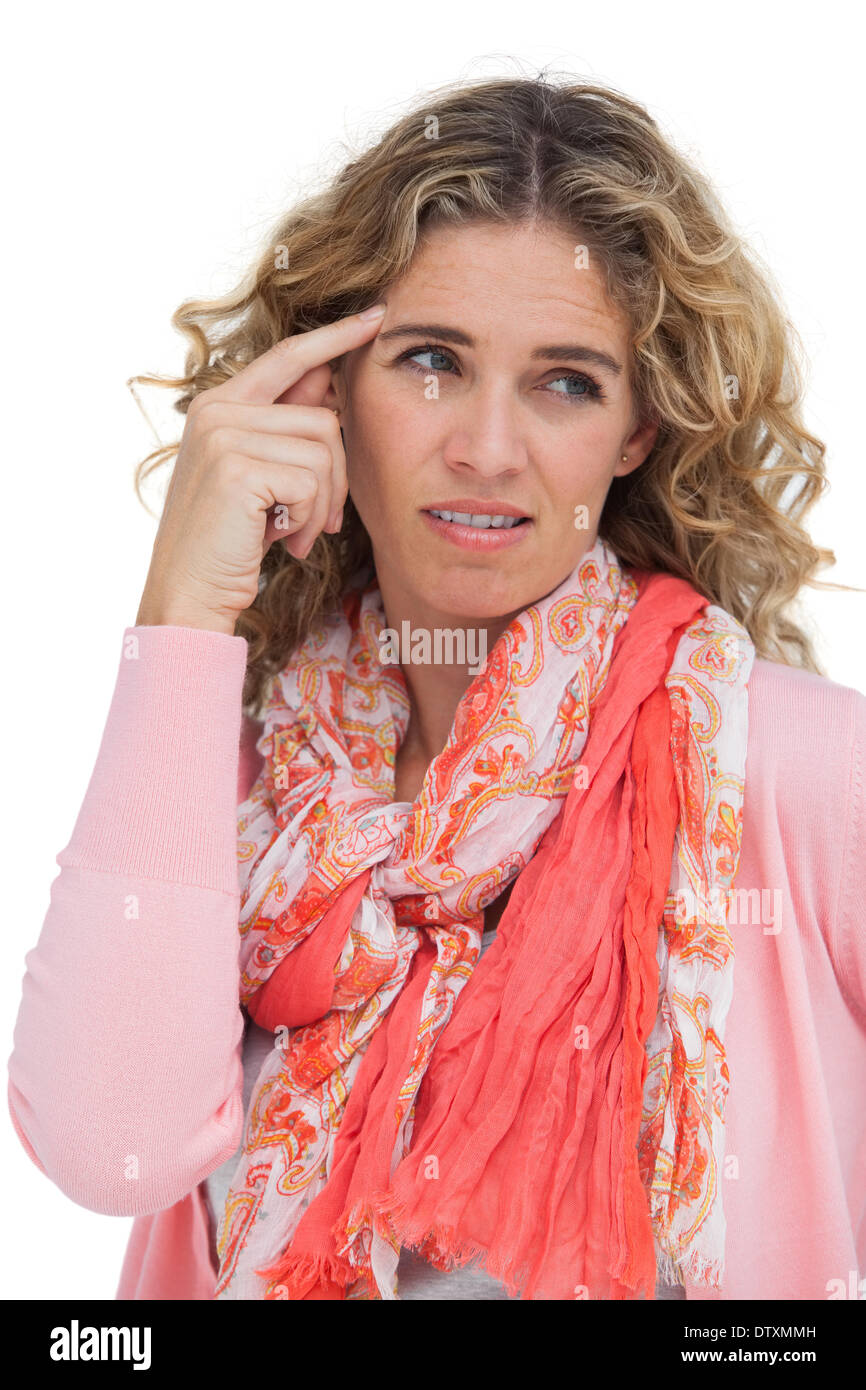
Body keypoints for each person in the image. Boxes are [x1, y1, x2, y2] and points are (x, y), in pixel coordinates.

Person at [8, 73, 866, 1302]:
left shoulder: (791, 773)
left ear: (633, 432)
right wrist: (184, 619)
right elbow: (107, 1151)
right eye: (428, 361)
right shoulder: (230, 783)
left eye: (565, 380)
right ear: (325, 392)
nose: (485, 447)